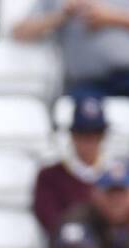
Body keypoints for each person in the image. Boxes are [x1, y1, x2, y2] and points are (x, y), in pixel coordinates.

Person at [34, 96, 111, 234]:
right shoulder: (50, 177)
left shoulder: (117, 176)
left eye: (96, 133)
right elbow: (52, 222)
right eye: (83, 133)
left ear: (103, 136)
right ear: (72, 135)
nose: (90, 140)